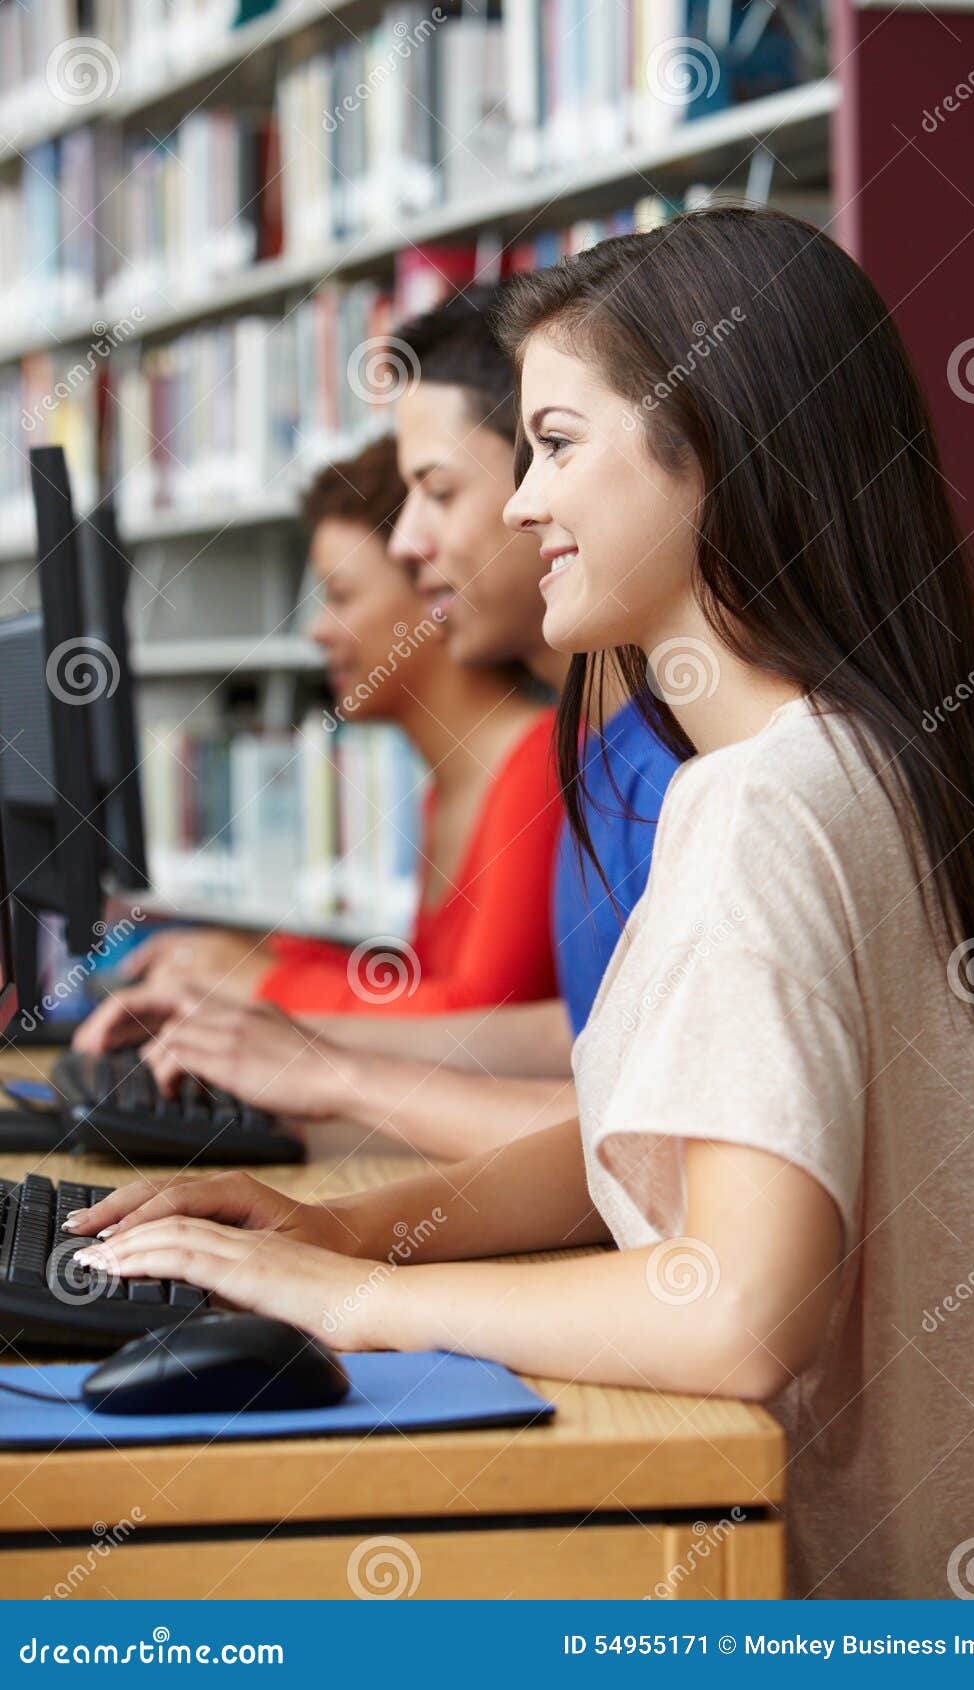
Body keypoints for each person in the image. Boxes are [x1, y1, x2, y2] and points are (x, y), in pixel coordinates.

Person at [67, 205, 974, 1598]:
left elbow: (730, 1311)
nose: (520, 502)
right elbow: (644, 1135)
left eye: (552, 445)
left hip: (853, 1620)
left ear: (710, 447)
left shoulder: (756, 805)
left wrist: (355, 1299)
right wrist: (348, 1227)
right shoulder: (828, 756)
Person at [77, 289, 682, 1157]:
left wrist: (300, 1033)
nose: (409, 544)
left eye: (436, 492)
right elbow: (584, 1052)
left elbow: (620, 1118)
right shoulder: (601, 754)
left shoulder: (652, 770)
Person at [115, 434, 562, 1018]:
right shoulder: (450, 783)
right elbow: (424, 980)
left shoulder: (539, 763)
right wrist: (248, 959)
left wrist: (258, 983)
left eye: (341, 596)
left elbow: (475, 1021)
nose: (318, 632)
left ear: (433, 593)